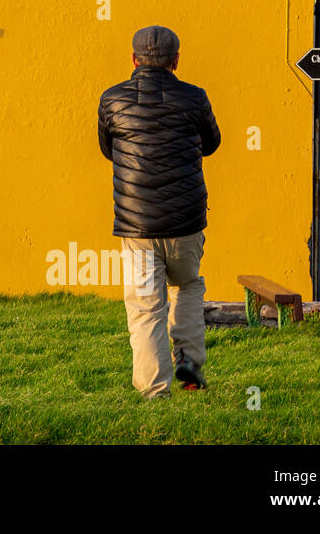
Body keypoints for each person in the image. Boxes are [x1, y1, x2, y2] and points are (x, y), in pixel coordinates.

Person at [97, 26, 221, 398]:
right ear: (176, 61)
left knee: (146, 304)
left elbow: (108, 149)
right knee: (187, 284)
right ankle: (189, 363)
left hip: (137, 226)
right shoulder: (195, 98)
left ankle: (155, 391)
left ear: (134, 60)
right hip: (186, 221)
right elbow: (212, 143)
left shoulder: (112, 100)